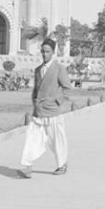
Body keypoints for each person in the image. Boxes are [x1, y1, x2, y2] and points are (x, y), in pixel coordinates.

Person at [18, 38, 71, 178]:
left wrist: (56, 102)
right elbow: (36, 89)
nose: (44, 54)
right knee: (32, 137)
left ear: (53, 52)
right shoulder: (38, 70)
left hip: (53, 111)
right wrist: (35, 103)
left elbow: (67, 89)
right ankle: (27, 166)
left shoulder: (59, 69)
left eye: (47, 51)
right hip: (39, 111)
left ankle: (62, 164)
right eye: (42, 51)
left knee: (57, 140)